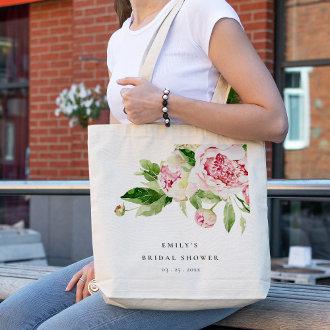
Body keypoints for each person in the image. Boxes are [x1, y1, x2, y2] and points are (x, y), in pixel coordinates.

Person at [0, 0, 288, 329]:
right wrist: (111, 253)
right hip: (144, 247)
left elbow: (274, 119)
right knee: (13, 314)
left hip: (206, 257)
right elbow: (122, 165)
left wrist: (166, 103)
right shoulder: (120, 39)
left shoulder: (202, 11)